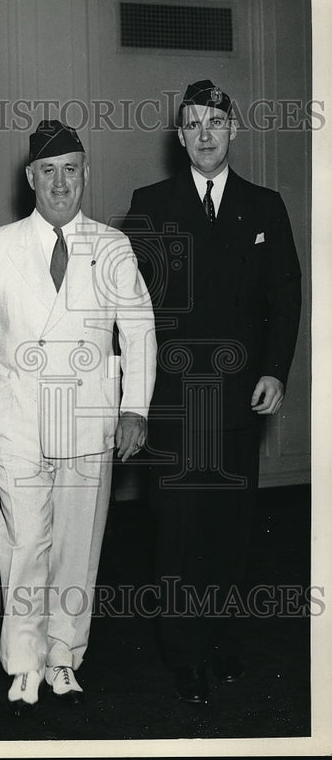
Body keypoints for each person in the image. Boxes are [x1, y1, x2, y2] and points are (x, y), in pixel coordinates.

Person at [0, 119, 156, 714]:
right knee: (23, 539)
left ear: (85, 174)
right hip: (15, 417)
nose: (61, 182)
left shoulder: (113, 246)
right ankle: (23, 662)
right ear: (30, 179)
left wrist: (134, 408)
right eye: (49, 171)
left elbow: (139, 330)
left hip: (88, 417)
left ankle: (64, 655)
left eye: (71, 169)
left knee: (76, 542)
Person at [124, 80, 302, 704]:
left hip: (238, 404)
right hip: (172, 404)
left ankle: (221, 640)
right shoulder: (149, 204)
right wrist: (132, 402)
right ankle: (186, 653)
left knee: (229, 529)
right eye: (194, 124)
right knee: (179, 533)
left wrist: (276, 371)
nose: (205, 134)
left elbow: (285, 299)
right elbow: (129, 312)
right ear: (179, 136)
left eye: (216, 123)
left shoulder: (265, 206)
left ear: (233, 131)